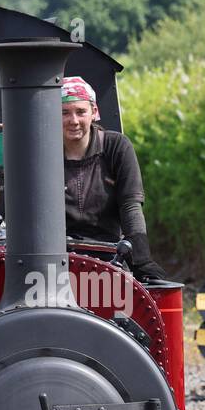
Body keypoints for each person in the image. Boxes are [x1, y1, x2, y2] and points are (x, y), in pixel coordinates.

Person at [60, 76, 168, 281]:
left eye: (80, 111)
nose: (73, 121)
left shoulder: (117, 146)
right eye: (65, 112)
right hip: (57, 259)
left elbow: (130, 206)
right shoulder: (42, 152)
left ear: (93, 112)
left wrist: (142, 261)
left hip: (109, 254)